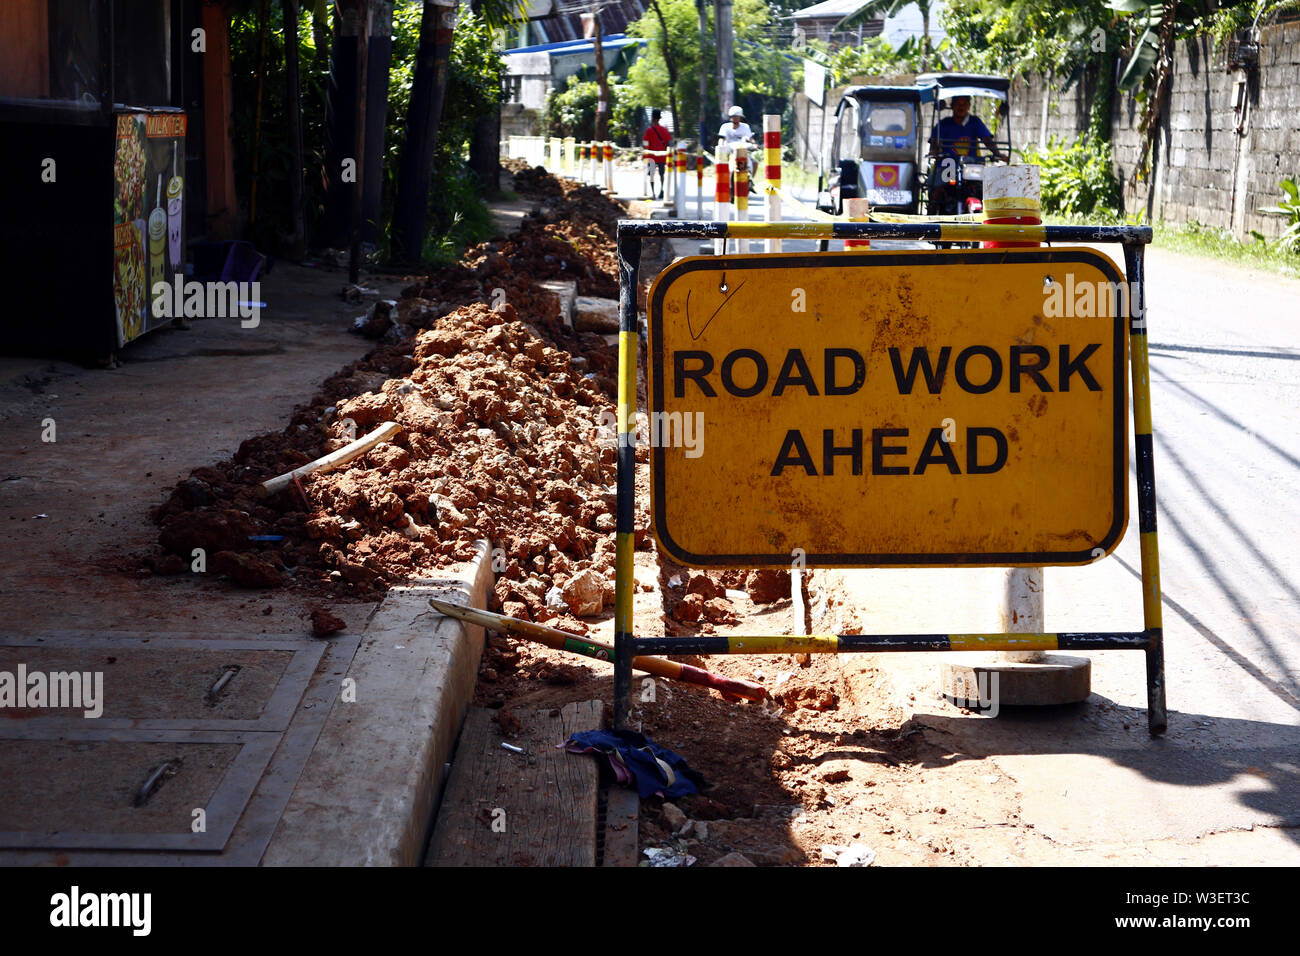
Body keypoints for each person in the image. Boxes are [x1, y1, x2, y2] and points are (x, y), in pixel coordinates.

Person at [927, 95, 1006, 213]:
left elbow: (987, 140)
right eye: (958, 104)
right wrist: (933, 152)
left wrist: (997, 154)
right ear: (952, 106)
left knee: (988, 189)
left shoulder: (975, 122)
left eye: (964, 104)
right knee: (936, 191)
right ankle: (930, 219)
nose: (961, 107)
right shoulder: (944, 124)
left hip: (971, 167)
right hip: (948, 166)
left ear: (969, 106)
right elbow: (934, 141)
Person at [717, 105, 757, 177]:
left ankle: (751, 181)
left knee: (755, 162)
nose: (735, 118)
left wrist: (754, 144)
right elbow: (721, 139)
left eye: (737, 116)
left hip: (742, 150)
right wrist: (721, 146)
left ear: (740, 118)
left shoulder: (745, 127)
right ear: (730, 117)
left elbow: (750, 138)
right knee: (722, 164)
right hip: (729, 151)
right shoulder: (725, 127)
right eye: (733, 116)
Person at [643, 109, 672, 199]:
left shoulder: (648, 130)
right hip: (662, 156)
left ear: (652, 118)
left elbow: (645, 144)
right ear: (659, 118)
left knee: (651, 175)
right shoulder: (664, 130)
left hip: (651, 156)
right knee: (662, 174)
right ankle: (662, 190)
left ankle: (653, 193)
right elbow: (668, 143)